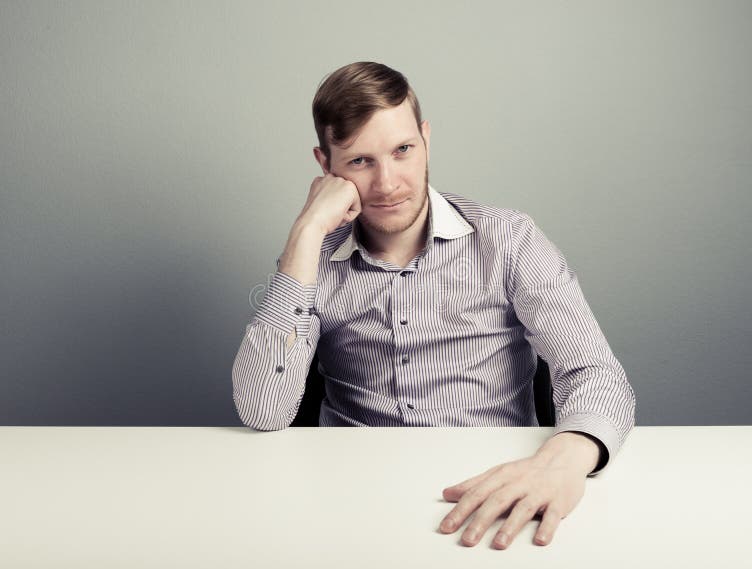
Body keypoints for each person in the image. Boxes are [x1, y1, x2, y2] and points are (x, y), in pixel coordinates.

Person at [232, 61, 636, 549]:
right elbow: (262, 410)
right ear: (326, 166)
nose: (388, 183)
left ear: (425, 138)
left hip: (491, 493)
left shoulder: (509, 240)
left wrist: (566, 460)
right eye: (360, 161)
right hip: (345, 502)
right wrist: (305, 234)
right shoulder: (311, 258)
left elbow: (596, 372)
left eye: (403, 150)